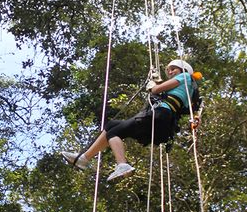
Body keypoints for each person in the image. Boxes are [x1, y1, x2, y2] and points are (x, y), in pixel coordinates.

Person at [61, 59, 201, 183]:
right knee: (111, 125)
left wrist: (153, 85)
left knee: (113, 133)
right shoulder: (187, 88)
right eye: (168, 70)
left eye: (173, 69)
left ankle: (122, 164)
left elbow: (156, 90)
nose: (170, 72)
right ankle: (84, 158)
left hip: (159, 116)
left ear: (183, 70)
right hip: (163, 122)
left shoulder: (185, 76)